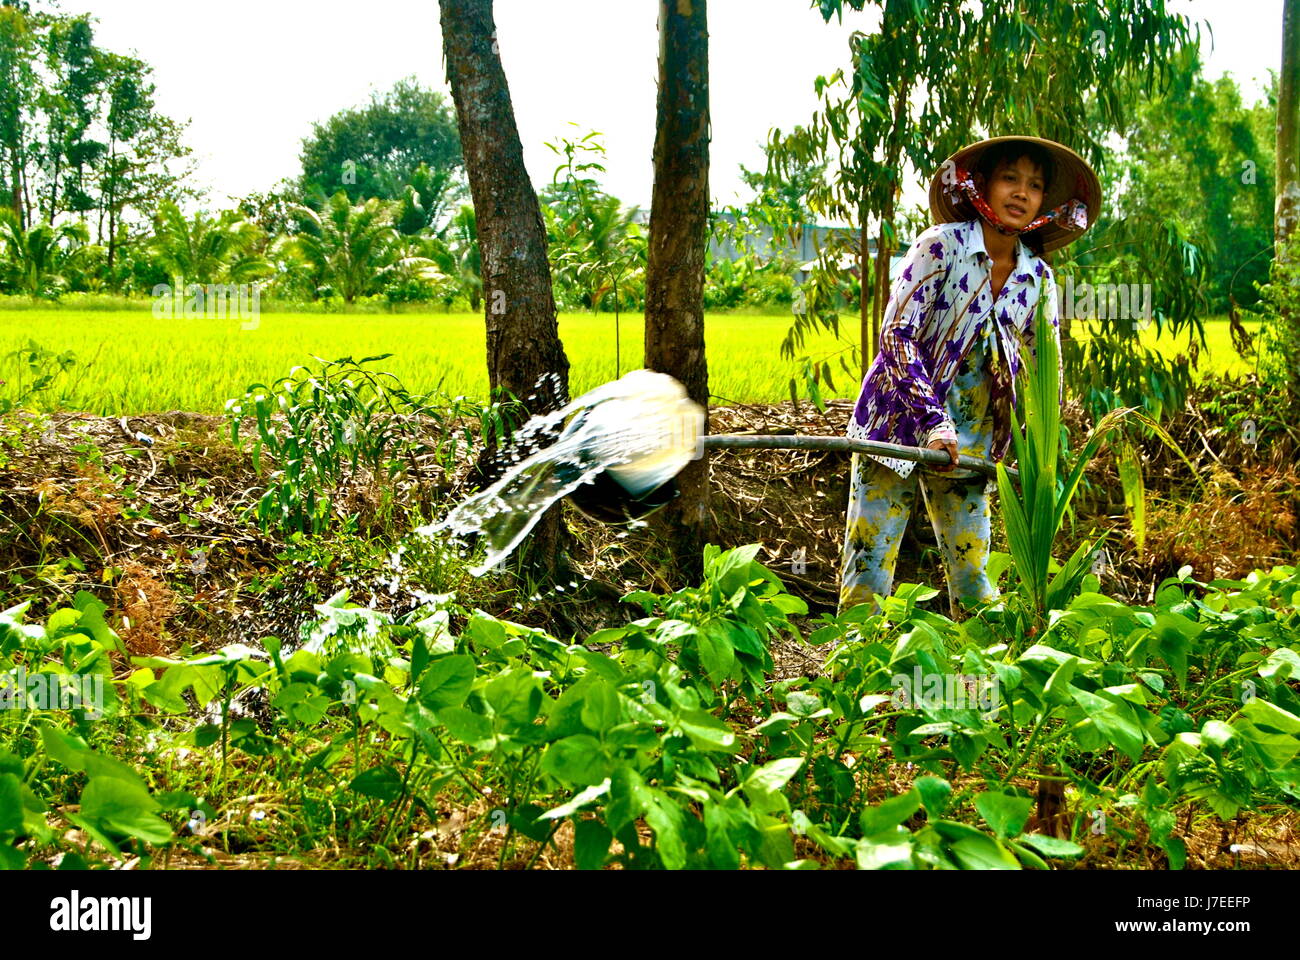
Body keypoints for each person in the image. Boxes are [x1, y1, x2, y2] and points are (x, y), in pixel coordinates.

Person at [838, 136, 1101, 620]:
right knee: (870, 569)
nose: (1022, 193)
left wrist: (1039, 446)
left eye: (1035, 185)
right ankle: (855, 674)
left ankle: (982, 679)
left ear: (1045, 201)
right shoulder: (940, 246)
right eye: (1010, 178)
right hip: (895, 426)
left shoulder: (1037, 277)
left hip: (973, 444)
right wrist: (933, 422)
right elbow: (896, 335)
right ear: (981, 184)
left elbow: (1048, 368)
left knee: (975, 578)